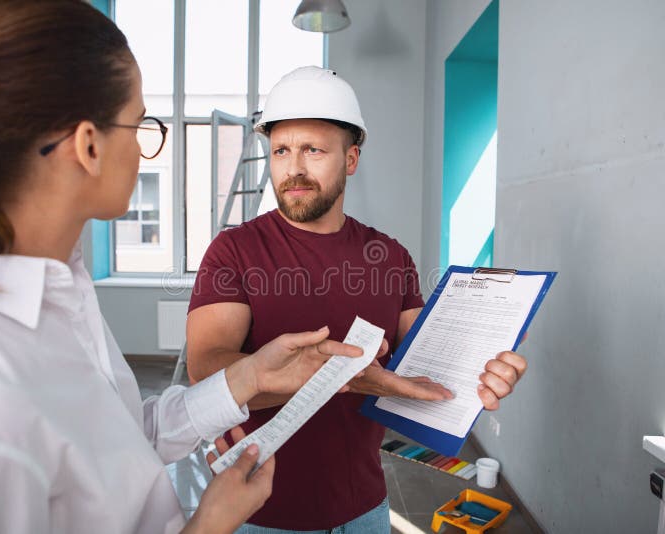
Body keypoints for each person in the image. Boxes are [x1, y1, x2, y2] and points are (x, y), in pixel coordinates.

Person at [0, 3, 372, 533]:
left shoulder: (62, 295)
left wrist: (249, 375)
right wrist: (208, 525)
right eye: (139, 123)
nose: (143, 146)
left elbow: (122, 437)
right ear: (89, 146)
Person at [186, 66, 528, 533]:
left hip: (365, 508)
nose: (294, 168)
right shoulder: (234, 251)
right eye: (281, 150)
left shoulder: (390, 256)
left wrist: (484, 371)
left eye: (313, 150)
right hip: (259, 511)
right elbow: (205, 368)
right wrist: (338, 377)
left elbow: (428, 362)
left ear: (350, 160)